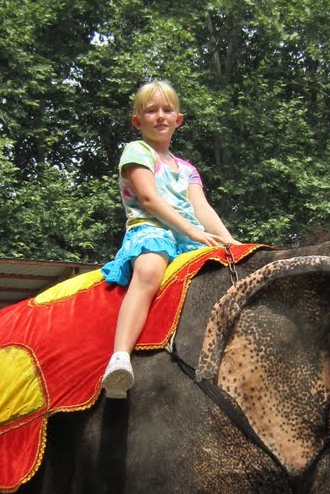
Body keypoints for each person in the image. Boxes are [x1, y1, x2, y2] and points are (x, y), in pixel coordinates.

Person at [100, 81, 235, 397]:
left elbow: (202, 208)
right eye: (151, 111)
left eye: (167, 110)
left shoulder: (187, 169)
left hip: (189, 238)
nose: (160, 116)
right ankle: (119, 358)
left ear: (178, 119)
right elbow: (149, 199)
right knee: (149, 269)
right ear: (138, 121)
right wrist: (193, 232)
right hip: (151, 229)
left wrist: (231, 243)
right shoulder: (138, 151)